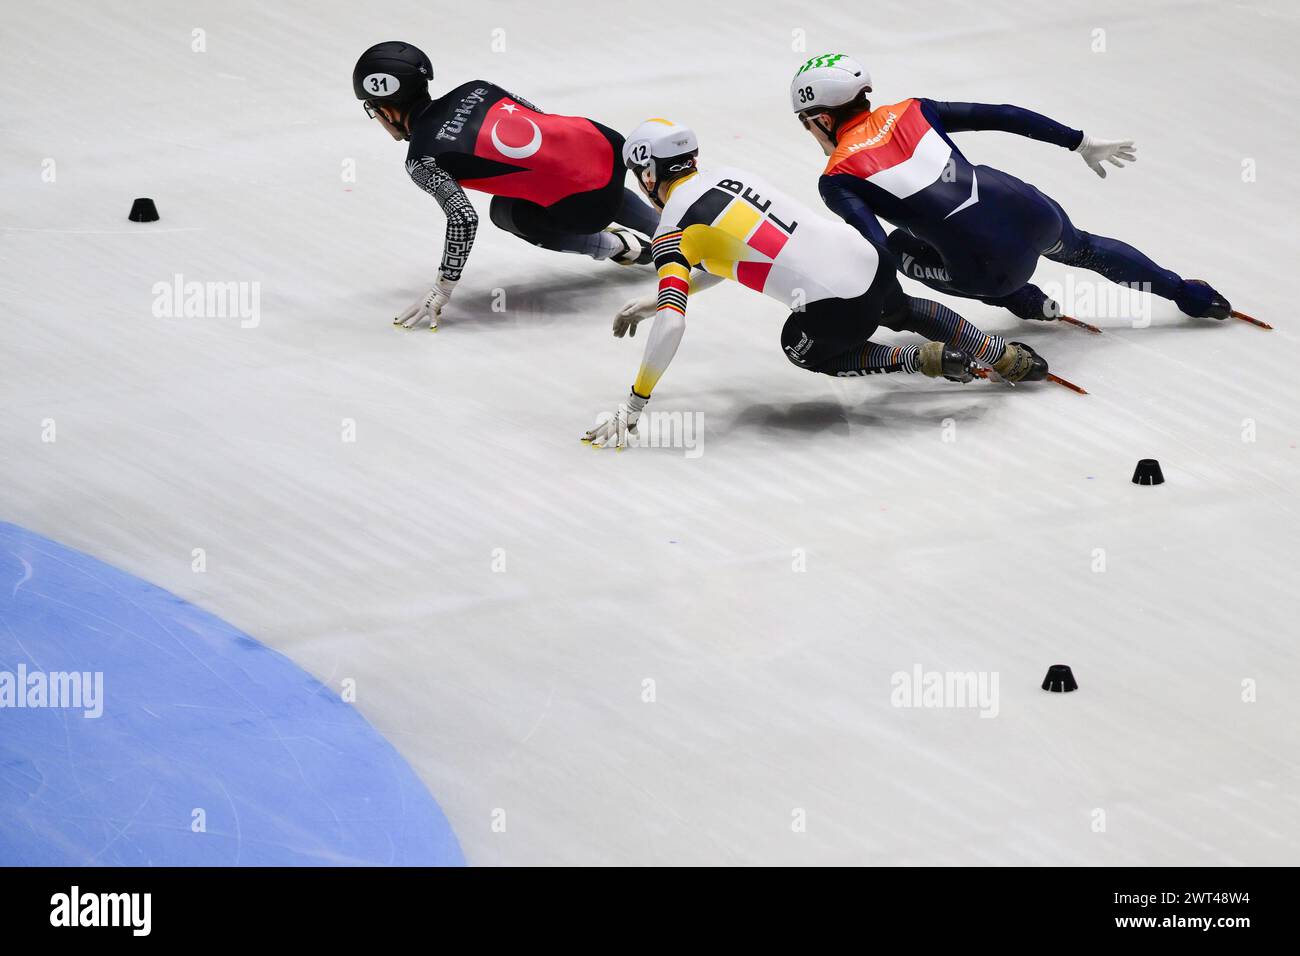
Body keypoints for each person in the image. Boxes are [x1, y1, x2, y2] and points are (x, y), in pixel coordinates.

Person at [584, 119, 1050, 450]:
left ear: (648, 173)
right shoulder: (729, 177)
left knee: (800, 347)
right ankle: (1003, 355)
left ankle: (920, 358)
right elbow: (727, 256)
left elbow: (672, 326)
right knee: (900, 309)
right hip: (868, 261)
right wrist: (655, 298)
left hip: (835, 304)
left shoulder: (672, 230)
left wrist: (634, 403)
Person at [789, 53, 1232, 325]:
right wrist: (1079, 141)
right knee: (1086, 248)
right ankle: (1188, 294)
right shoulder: (911, 109)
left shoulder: (838, 175)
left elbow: (878, 251)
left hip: (990, 269)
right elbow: (1004, 115)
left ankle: (1022, 299)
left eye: (806, 122)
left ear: (823, 117)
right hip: (1026, 209)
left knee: (905, 250)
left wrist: (890, 310)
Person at [353, 41, 660, 330]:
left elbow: (463, 218)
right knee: (567, 170)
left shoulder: (421, 158)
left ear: (387, 109)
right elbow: (540, 126)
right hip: (605, 142)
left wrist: (442, 287)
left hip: (587, 206)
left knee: (505, 211)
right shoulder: (476, 88)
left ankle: (618, 246)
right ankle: (666, 224)